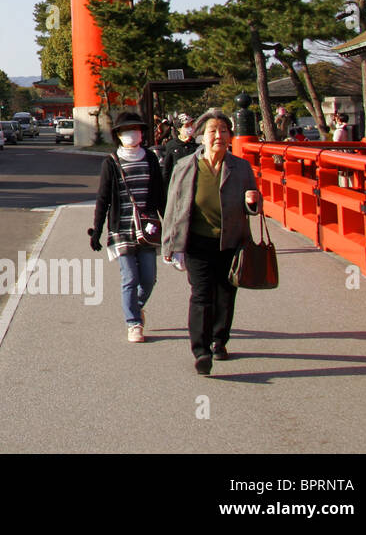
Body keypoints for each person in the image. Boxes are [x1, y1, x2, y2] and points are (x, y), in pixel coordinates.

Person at [162, 109, 262, 376]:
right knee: (202, 295)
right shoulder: (185, 167)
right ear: (201, 137)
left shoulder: (241, 168)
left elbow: (255, 205)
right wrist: (170, 246)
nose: (219, 136)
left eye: (224, 131)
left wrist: (253, 202)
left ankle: (220, 340)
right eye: (212, 131)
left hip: (231, 241)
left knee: (226, 295)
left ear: (230, 136)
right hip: (197, 242)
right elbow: (173, 207)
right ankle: (201, 351)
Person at [89, 111, 167, 344]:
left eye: (135, 129)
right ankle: (134, 323)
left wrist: (171, 223)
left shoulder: (151, 159)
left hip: (147, 227)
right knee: (130, 278)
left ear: (142, 133)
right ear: (118, 135)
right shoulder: (111, 162)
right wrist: (97, 230)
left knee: (149, 278)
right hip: (121, 227)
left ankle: (136, 306)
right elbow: (103, 198)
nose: (131, 134)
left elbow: (160, 195)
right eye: (126, 131)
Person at [160, 114, 197, 183]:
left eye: (191, 124)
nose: (190, 128)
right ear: (179, 129)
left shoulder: (197, 144)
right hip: (177, 184)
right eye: (186, 125)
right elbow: (166, 170)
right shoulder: (172, 145)